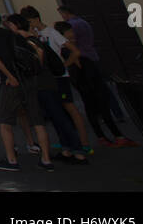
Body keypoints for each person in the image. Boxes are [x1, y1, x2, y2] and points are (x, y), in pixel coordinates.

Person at [0, 8, 53, 172]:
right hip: (28, 80)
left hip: (11, 81)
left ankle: (11, 160)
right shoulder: (10, 33)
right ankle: (46, 160)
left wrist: (9, 76)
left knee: (5, 121)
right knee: (37, 120)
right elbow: (38, 51)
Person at [10, 16, 87, 165]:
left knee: (59, 116)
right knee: (56, 116)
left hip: (43, 83)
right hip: (45, 83)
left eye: (10, 25)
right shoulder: (35, 39)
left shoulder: (30, 42)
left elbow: (36, 64)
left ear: (17, 26)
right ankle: (67, 149)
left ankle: (78, 151)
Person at [58, 5, 136, 148]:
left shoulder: (72, 33)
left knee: (94, 104)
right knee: (99, 103)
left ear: (64, 14)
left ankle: (106, 136)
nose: (72, 35)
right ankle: (114, 134)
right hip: (88, 71)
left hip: (85, 73)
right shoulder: (83, 23)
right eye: (70, 33)